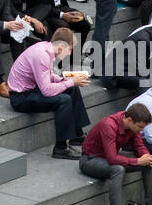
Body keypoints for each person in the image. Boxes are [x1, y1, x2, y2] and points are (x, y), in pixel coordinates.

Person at [8, 28, 92, 160]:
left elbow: (48, 75)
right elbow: (46, 90)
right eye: (69, 49)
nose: (70, 53)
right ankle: (60, 148)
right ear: (61, 46)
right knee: (64, 100)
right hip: (20, 97)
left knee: (73, 89)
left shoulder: (45, 48)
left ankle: (77, 135)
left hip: (32, 89)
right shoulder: (41, 55)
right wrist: (70, 82)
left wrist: (66, 80)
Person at [79, 104, 152, 205]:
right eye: (140, 127)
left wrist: (145, 156)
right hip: (90, 160)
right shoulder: (109, 125)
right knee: (118, 169)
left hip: (108, 158)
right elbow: (112, 158)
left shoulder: (131, 125)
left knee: (151, 162)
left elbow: (139, 146)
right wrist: (137, 161)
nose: (141, 130)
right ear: (129, 120)